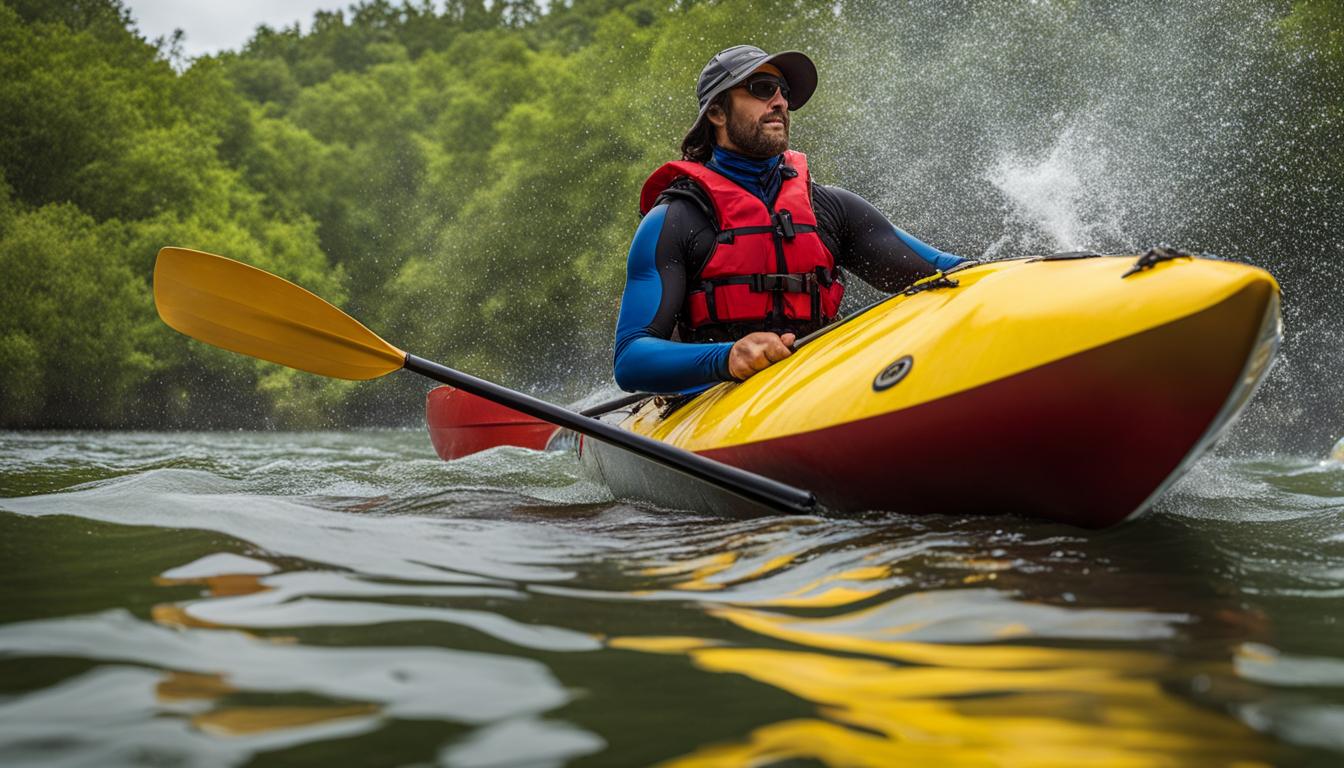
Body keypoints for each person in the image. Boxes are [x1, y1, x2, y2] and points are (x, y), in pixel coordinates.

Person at [613, 45, 964, 394]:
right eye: (763, 88)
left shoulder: (831, 208)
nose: (780, 101)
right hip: (717, 396)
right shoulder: (674, 221)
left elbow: (952, 272)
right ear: (717, 112)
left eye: (784, 92)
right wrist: (727, 357)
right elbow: (630, 358)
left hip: (822, 384)